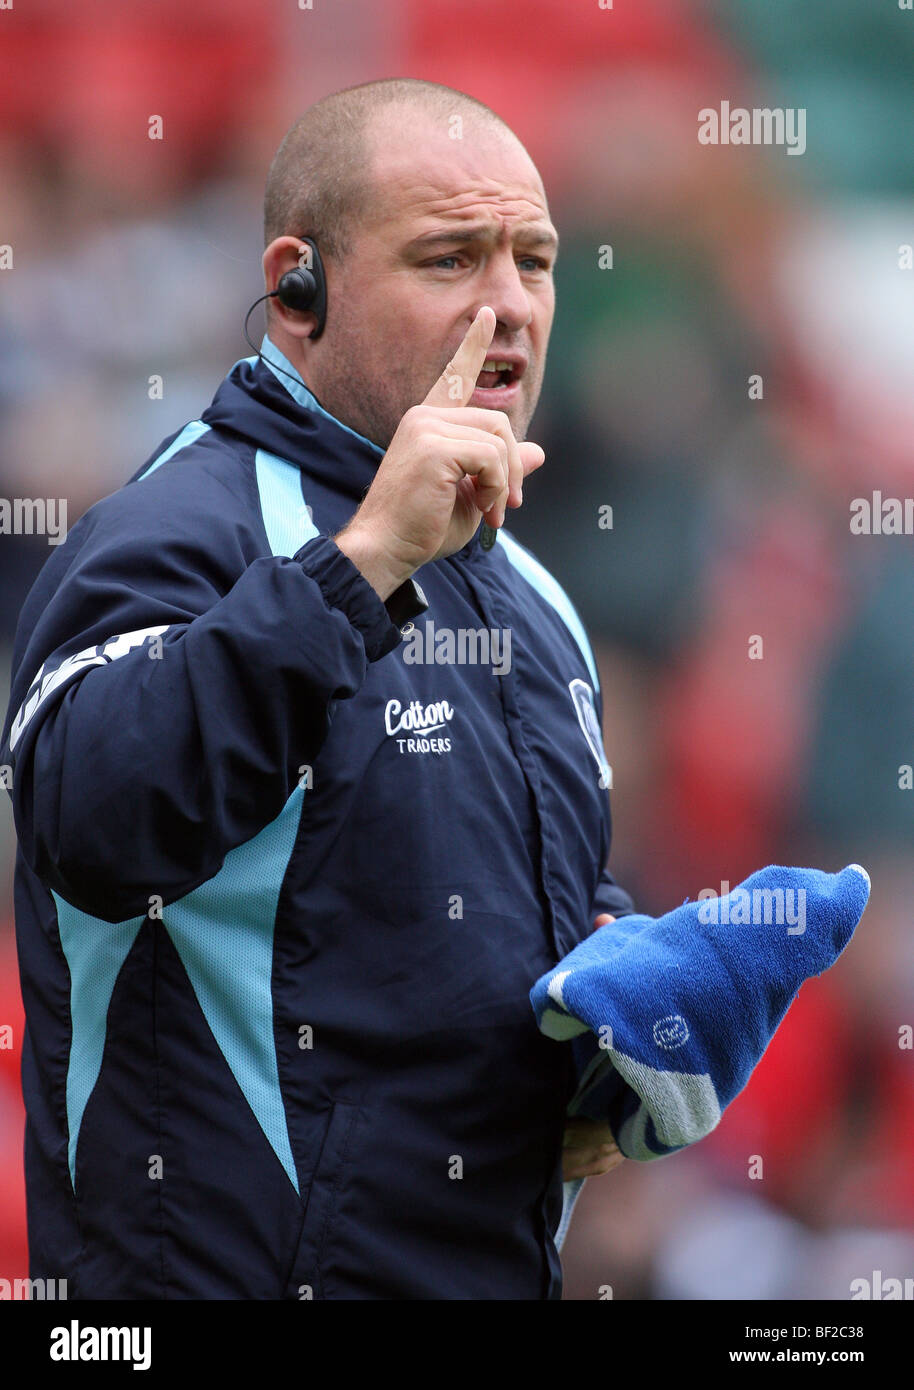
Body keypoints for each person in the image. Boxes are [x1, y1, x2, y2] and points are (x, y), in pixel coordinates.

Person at [1, 77, 632, 1300]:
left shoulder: (537, 599)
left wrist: (621, 1035)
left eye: (534, 261)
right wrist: (362, 568)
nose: (507, 306)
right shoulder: (174, 533)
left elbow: (493, 931)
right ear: (300, 291)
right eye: (450, 259)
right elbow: (88, 818)